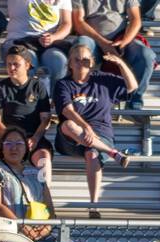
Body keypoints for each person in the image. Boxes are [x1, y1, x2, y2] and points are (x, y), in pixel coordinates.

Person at [53, 43, 135, 218]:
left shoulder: (104, 80)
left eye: (85, 59)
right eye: (77, 59)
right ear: (70, 63)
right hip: (72, 138)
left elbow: (132, 87)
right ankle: (113, 153)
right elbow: (67, 111)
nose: (81, 62)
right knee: (67, 125)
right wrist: (86, 127)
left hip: (101, 134)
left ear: (92, 62)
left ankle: (93, 206)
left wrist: (121, 64)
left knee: (92, 153)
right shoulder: (63, 84)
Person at [69, 0, 154, 109]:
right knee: (81, 48)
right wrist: (104, 43)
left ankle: (134, 99)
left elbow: (135, 19)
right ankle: (80, 99)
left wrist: (124, 41)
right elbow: (78, 22)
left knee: (146, 55)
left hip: (121, 39)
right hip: (91, 40)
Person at [0, 127, 55, 238]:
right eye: (8, 143)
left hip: (38, 235)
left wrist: (46, 228)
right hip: (4, 235)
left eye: (19, 143)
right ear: (2, 148)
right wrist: (22, 227)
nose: (14, 147)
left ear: (26, 148)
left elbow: (49, 207)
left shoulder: (37, 173)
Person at [0, 45, 53, 169]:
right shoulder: (0, 87)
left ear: (27, 65)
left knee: (44, 160)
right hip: (7, 137)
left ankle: (44, 188)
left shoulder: (38, 86)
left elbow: (45, 119)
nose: (11, 68)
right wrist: (12, 138)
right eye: (8, 64)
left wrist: (35, 138)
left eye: (16, 64)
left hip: (32, 137)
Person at [5, 0, 74, 95]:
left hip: (50, 42)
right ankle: (27, 100)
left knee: (58, 60)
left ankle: (54, 100)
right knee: (27, 60)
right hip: (20, 40)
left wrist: (53, 37)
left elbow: (66, 24)